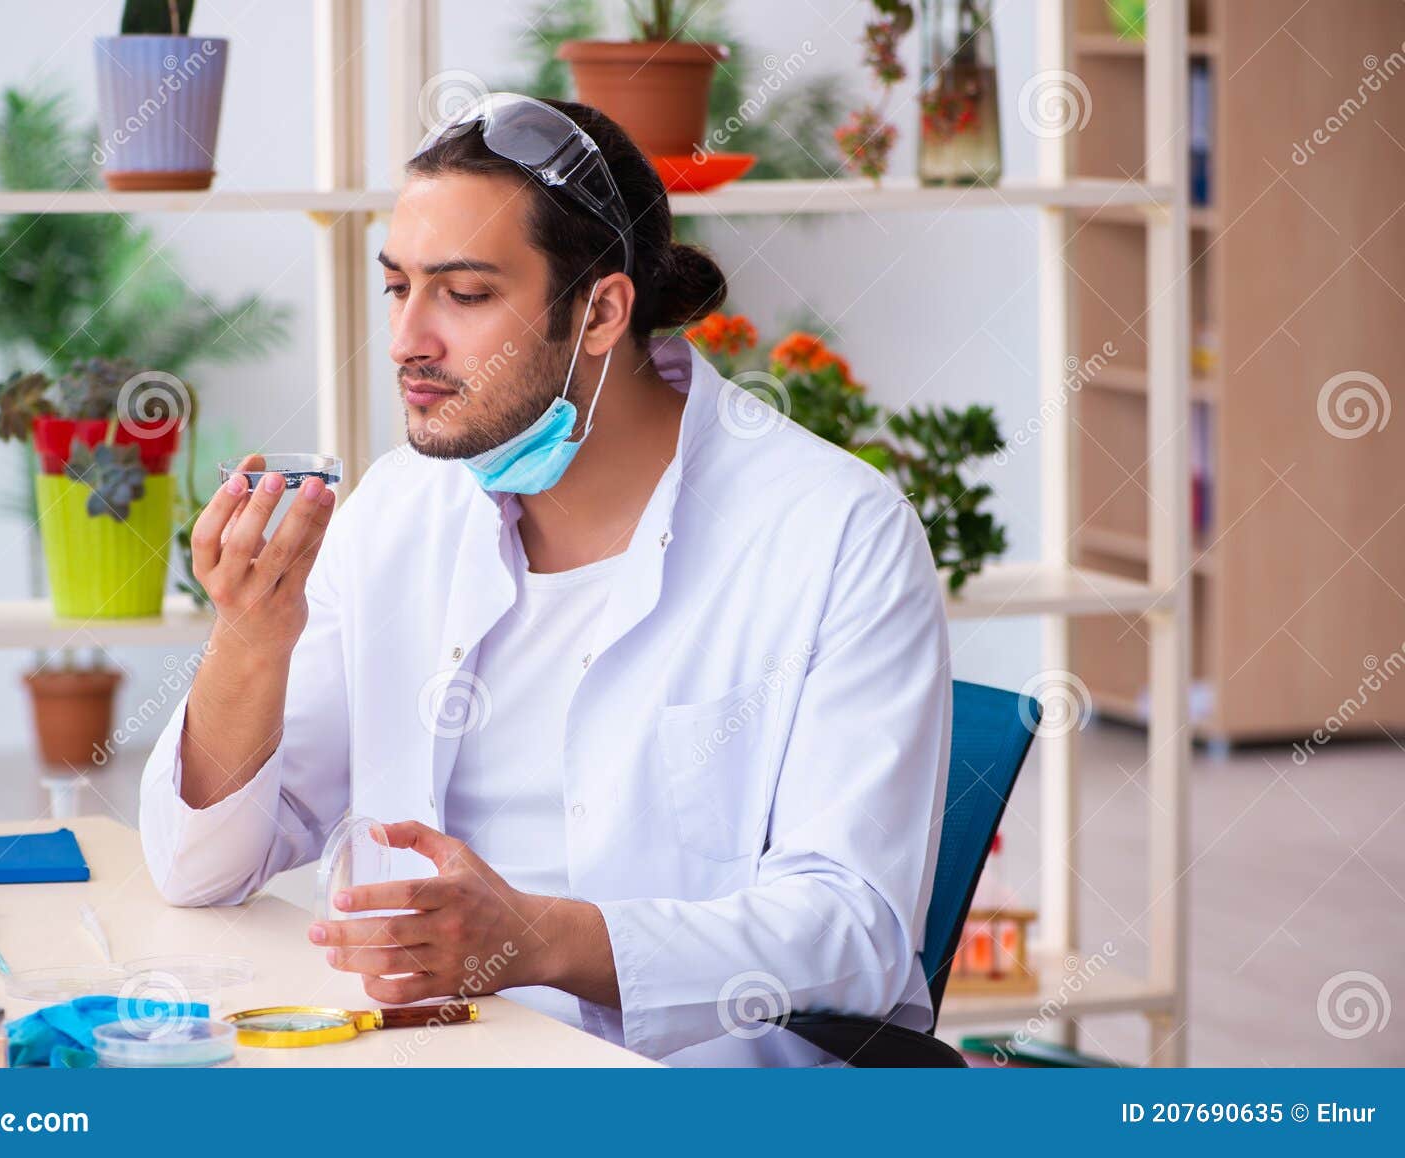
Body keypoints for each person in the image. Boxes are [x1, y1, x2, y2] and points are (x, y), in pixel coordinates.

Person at [139, 95, 951, 1066]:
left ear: (601, 310)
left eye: (464, 294)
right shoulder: (399, 512)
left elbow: (853, 934)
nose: (406, 339)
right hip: (422, 1058)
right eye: (396, 287)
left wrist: (540, 942)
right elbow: (202, 867)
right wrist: (249, 638)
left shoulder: (831, 531)